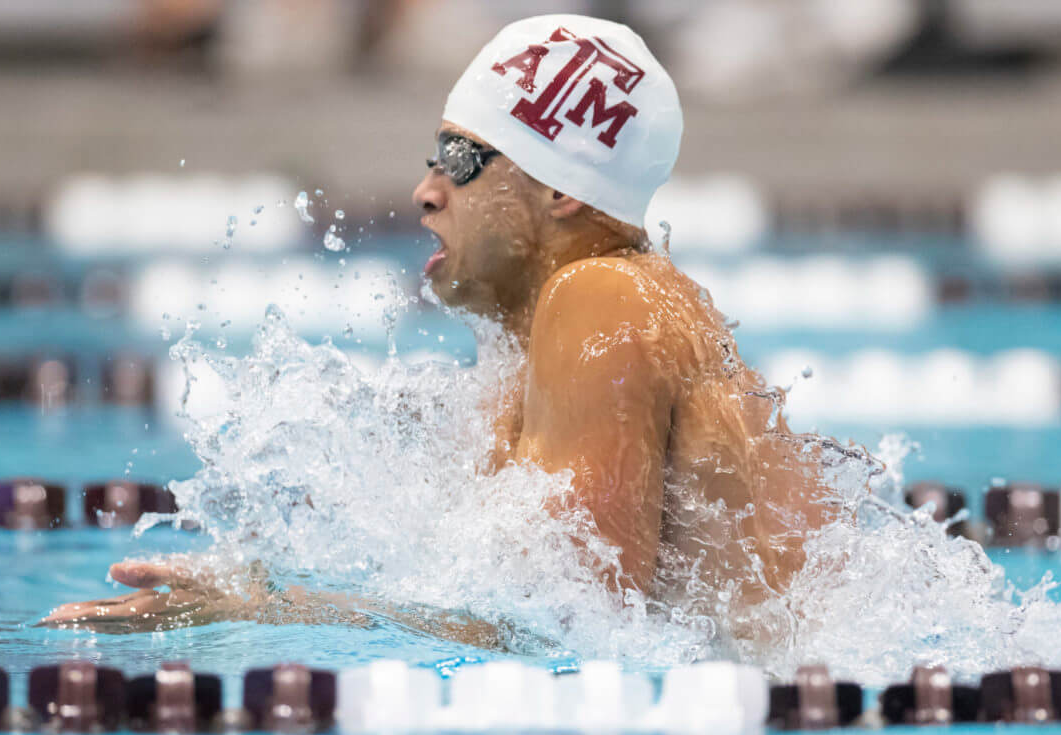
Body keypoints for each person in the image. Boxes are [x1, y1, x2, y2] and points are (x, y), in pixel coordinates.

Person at [42, 14, 836, 644]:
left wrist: (269, 612)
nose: (424, 192)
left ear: (559, 188)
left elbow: (587, 633)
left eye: (459, 160)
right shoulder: (538, 345)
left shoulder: (602, 298)